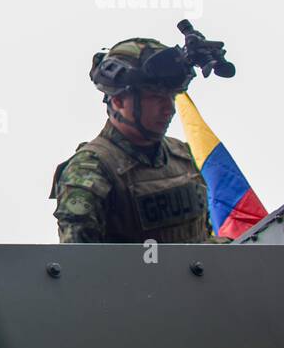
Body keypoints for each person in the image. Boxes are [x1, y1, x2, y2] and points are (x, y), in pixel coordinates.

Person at [52, 38, 220, 243]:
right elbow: (80, 266)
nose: (169, 108)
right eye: (155, 97)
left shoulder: (180, 154)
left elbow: (203, 238)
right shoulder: (89, 171)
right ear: (118, 100)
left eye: (172, 96)